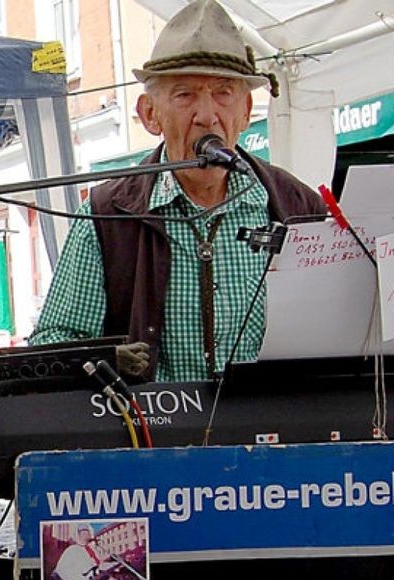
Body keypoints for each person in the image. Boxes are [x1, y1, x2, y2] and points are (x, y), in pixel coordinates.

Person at [28, 0, 326, 382]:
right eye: (185, 95)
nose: (206, 115)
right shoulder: (107, 214)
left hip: (272, 430)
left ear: (246, 110)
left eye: (223, 93)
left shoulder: (296, 207)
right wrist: (104, 359)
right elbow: (54, 339)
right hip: (154, 435)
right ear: (150, 114)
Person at [53, 525, 118, 580]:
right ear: (78, 535)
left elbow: (99, 566)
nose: (86, 535)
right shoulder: (72, 550)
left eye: (88, 533)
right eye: (83, 533)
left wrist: (116, 565)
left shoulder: (92, 550)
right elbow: (61, 569)